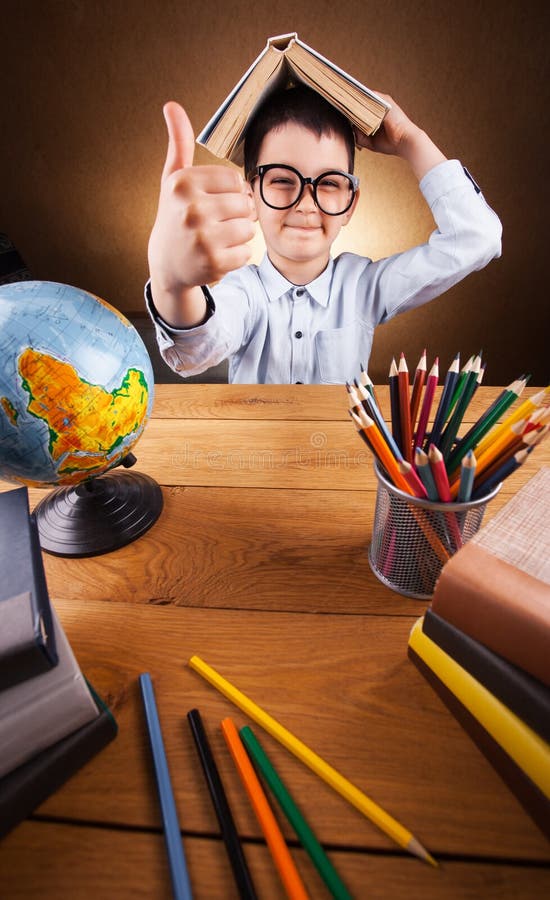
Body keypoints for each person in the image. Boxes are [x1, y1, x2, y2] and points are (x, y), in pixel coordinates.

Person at [146, 85, 502, 384]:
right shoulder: (243, 291)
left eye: (330, 183)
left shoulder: (363, 287)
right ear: (250, 194)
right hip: (255, 463)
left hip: (342, 463)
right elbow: (193, 353)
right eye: (283, 180)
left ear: (351, 202)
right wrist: (172, 283)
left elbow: (476, 239)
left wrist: (410, 140)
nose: (305, 203)